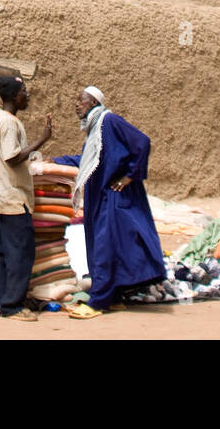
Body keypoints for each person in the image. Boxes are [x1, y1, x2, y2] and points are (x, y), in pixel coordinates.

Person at [54, 85, 165, 311]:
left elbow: (142, 142)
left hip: (113, 196)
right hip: (100, 196)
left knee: (105, 246)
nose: (76, 104)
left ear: (94, 102)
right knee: (108, 245)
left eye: (81, 100)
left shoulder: (110, 121)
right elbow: (87, 160)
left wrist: (130, 177)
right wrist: (57, 162)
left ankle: (99, 302)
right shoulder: (95, 129)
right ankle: (113, 296)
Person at [0, 75, 50, 321]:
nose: (27, 95)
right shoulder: (9, 124)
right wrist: (41, 140)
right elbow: (12, 157)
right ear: (13, 96)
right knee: (20, 253)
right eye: (24, 91)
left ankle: (2, 300)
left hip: (1, 198)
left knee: (5, 253)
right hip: (14, 199)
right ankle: (13, 307)